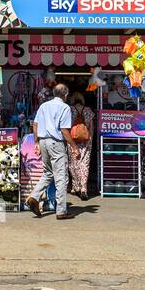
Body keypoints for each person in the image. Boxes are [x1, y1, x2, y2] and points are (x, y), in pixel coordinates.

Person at [26, 83, 74, 219]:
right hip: (56, 143)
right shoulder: (65, 107)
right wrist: (74, 147)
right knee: (61, 178)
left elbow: (35, 124)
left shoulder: (44, 106)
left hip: (43, 142)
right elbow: (64, 130)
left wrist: (36, 142)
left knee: (48, 173)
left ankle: (34, 197)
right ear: (65, 95)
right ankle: (61, 211)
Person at [67, 91, 95, 200]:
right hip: (86, 140)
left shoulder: (69, 110)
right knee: (85, 164)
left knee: (73, 163)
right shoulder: (88, 110)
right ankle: (84, 188)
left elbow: (66, 126)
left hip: (72, 141)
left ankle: (76, 186)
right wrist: (90, 138)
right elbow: (91, 127)